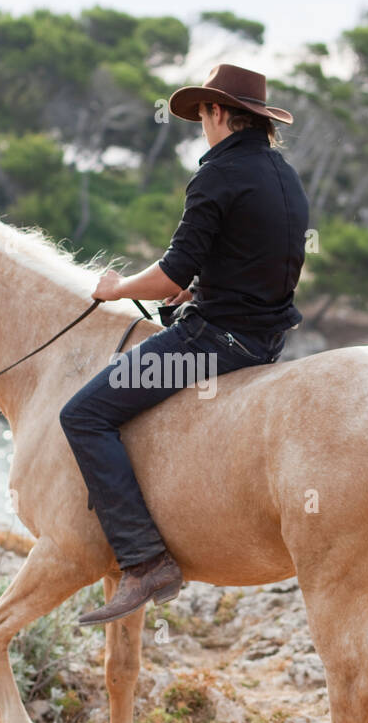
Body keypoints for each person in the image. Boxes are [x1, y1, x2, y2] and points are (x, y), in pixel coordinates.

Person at [60, 63, 310, 625]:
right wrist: (207, 289)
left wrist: (117, 288)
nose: (202, 125)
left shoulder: (217, 176)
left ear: (218, 113)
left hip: (211, 345)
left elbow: (170, 274)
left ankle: (145, 560)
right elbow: (260, 261)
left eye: (202, 115)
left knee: (84, 414)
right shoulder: (283, 174)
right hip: (265, 340)